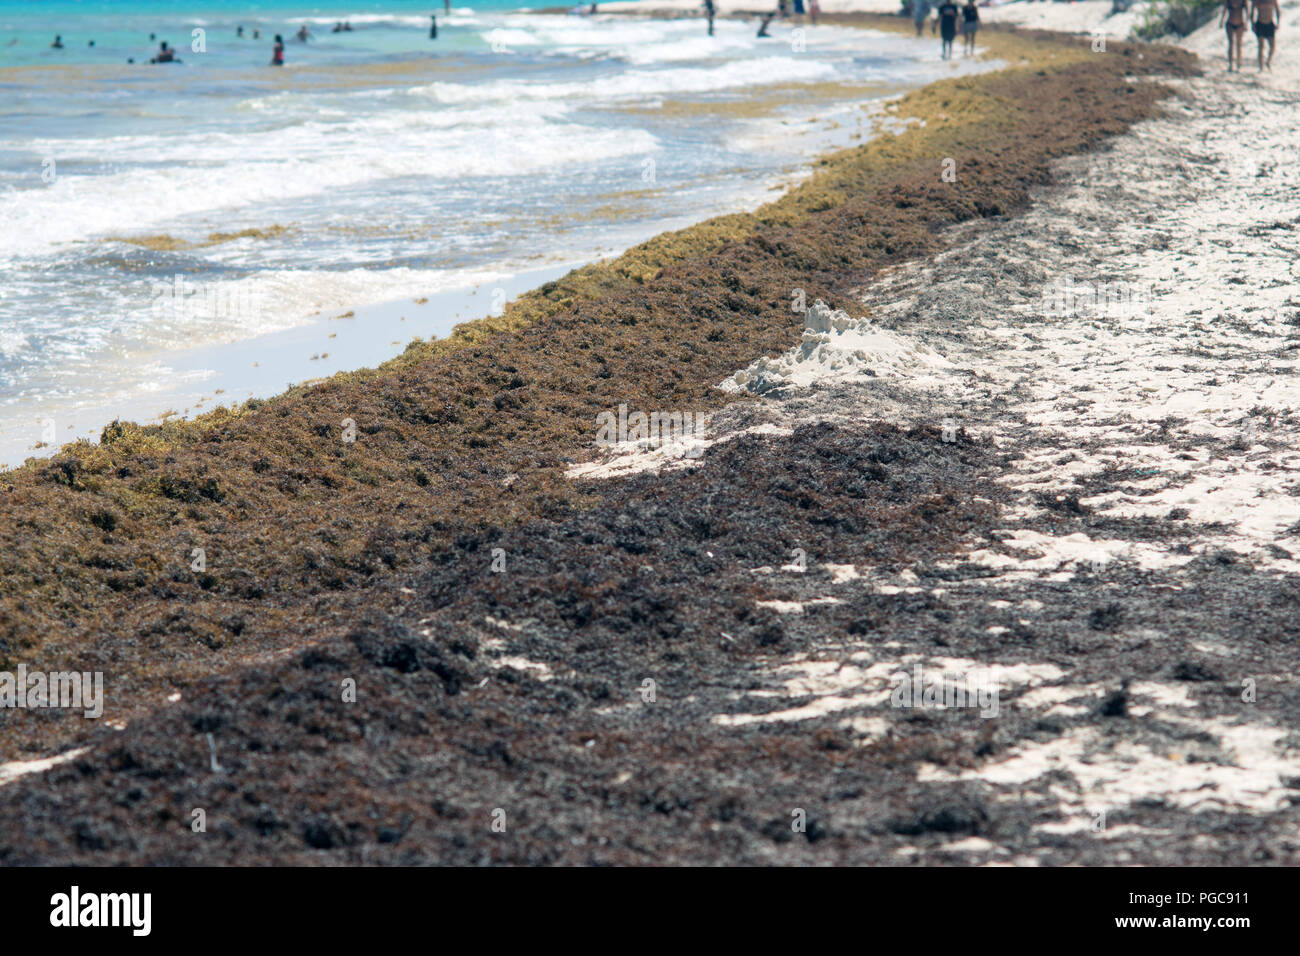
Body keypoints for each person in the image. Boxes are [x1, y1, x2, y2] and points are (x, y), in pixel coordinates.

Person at [1250, 0, 1279, 70]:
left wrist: (1278, 22)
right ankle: (1261, 66)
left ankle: (1268, 62)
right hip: (1260, 23)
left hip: (1270, 24)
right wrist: (1253, 24)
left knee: (1272, 46)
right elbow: (1252, 12)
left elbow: (1278, 11)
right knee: (1261, 46)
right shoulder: (1257, 1)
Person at [1221, 0, 1247, 70]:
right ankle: (1231, 63)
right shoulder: (1228, 1)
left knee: (1239, 44)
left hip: (1240, 23)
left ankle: (1239, 63)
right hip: (1230, 23)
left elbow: (1247, 11)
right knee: (1231, 44)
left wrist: (1246, 23)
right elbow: (1225, 10)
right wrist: (1222, 21)